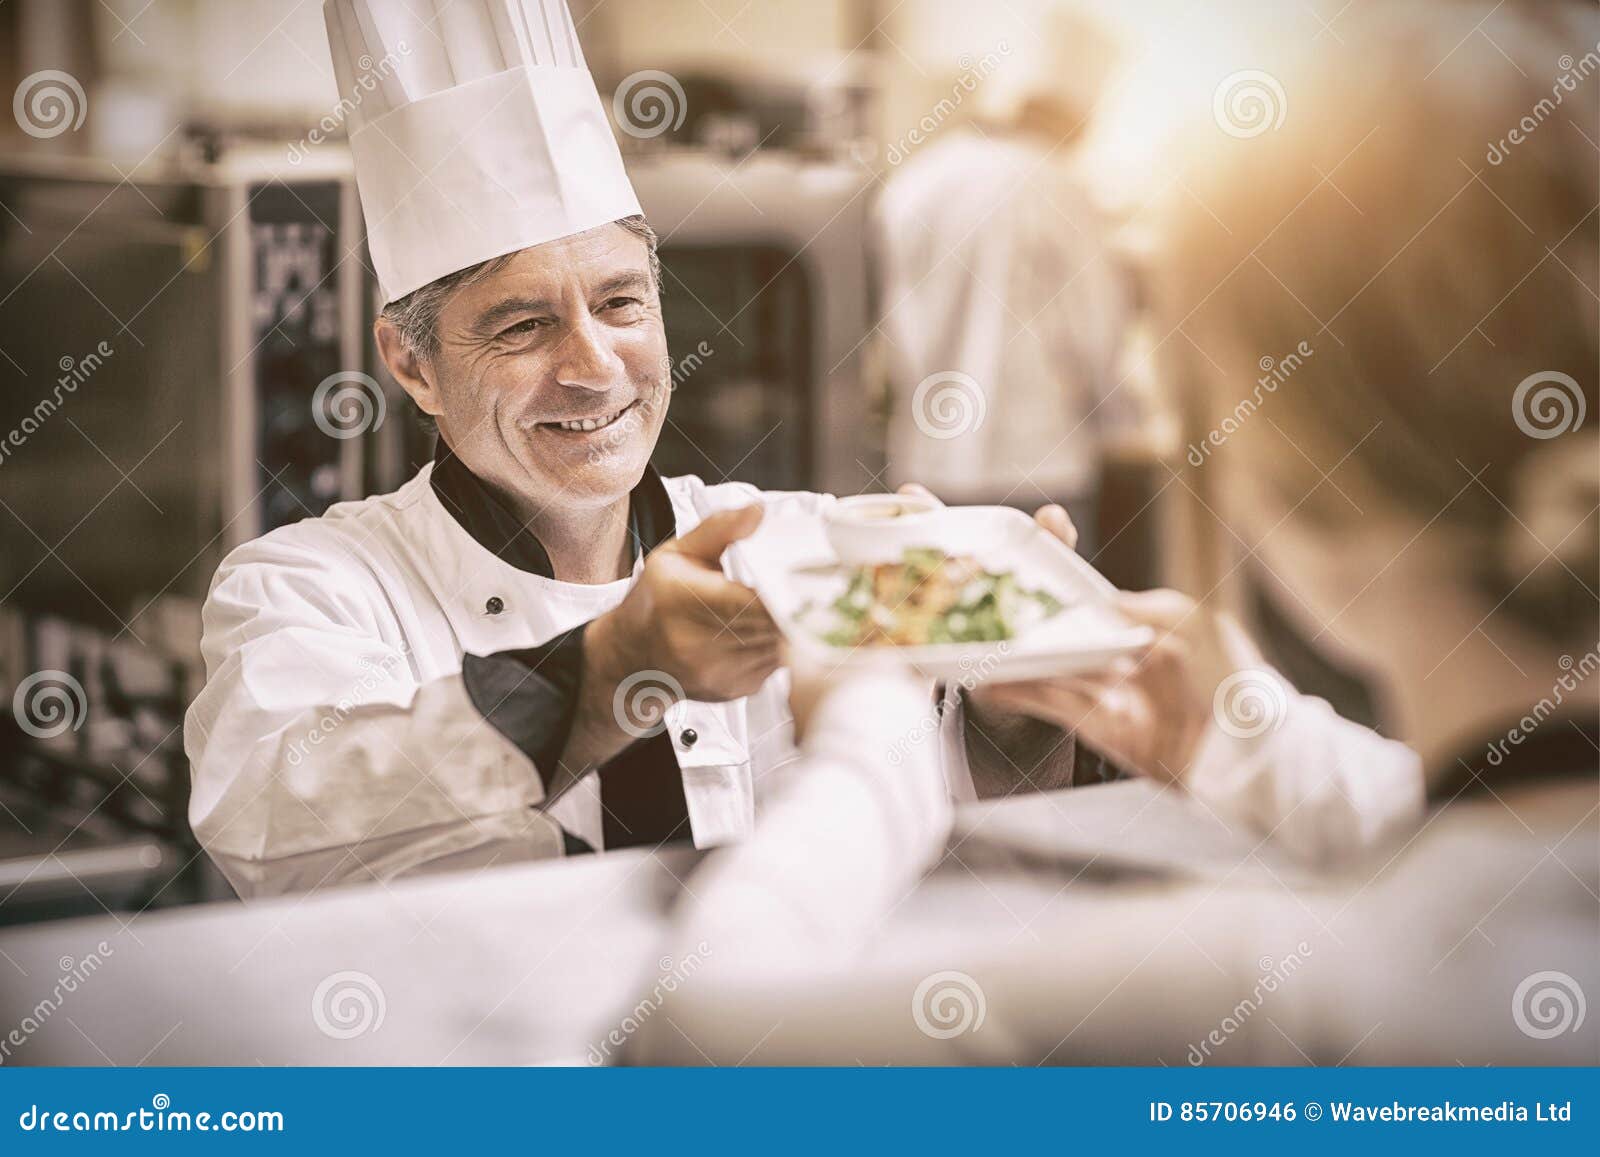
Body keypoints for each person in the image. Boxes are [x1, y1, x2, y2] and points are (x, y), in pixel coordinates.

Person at [184, 0, 1422, 899]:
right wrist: (609, 670)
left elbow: (930, 827)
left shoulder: (797, 542)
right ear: (410, 363)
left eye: (621, 302)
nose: (593, 363)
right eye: (521, 323)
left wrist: (1013, 706)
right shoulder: (308, 587)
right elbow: (272, 818)